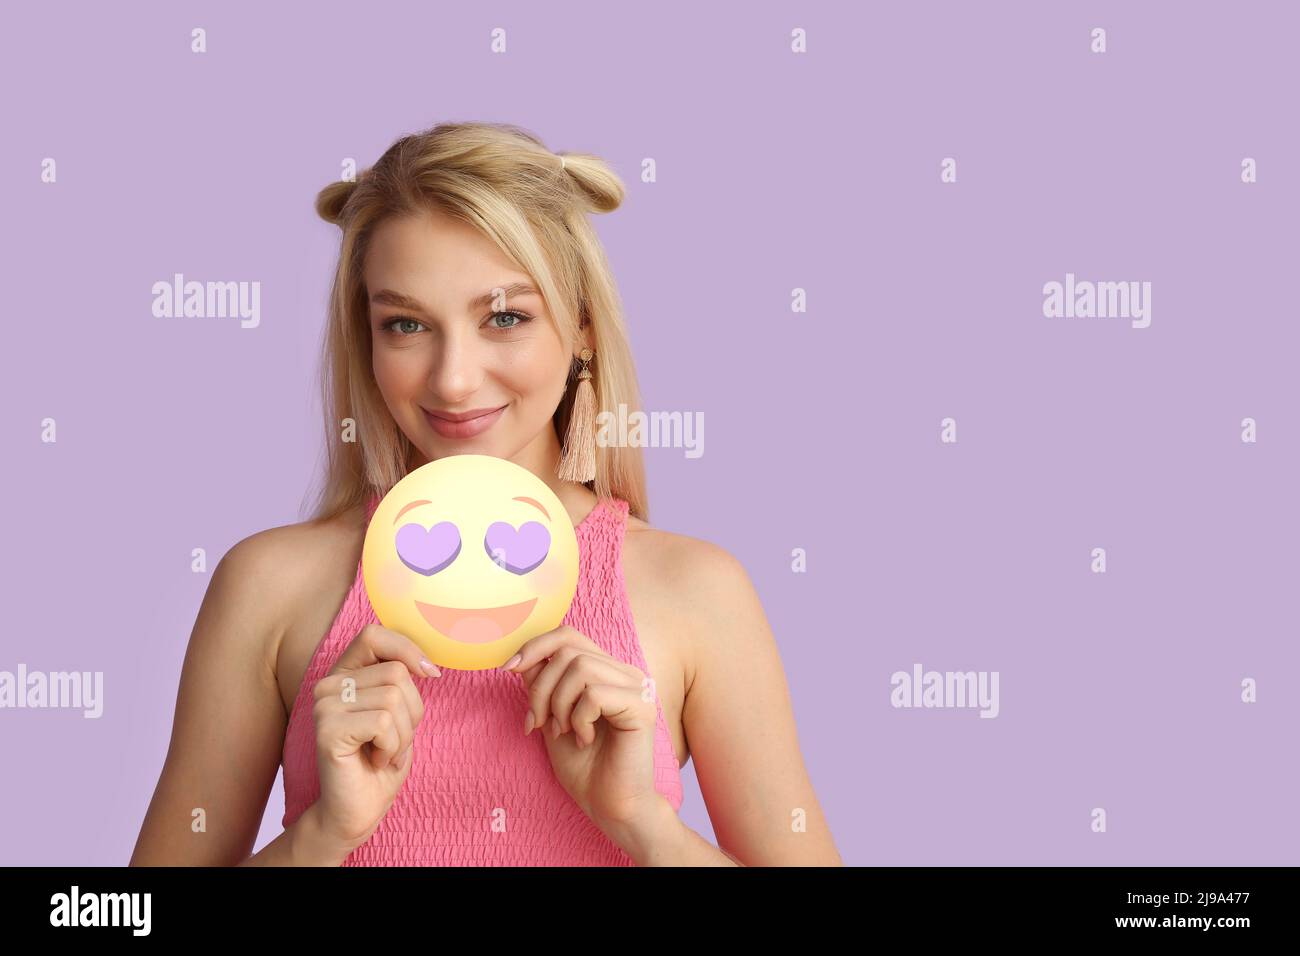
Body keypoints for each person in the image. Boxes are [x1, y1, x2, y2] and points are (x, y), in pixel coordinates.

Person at [130, 121, 841, 866]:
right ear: (365, 338)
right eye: (406, 324)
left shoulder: (698, 593)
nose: (453, 379)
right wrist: (322, 836)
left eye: (505, 317)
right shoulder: (269, 587)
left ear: (585, 327)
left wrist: (642, 823)